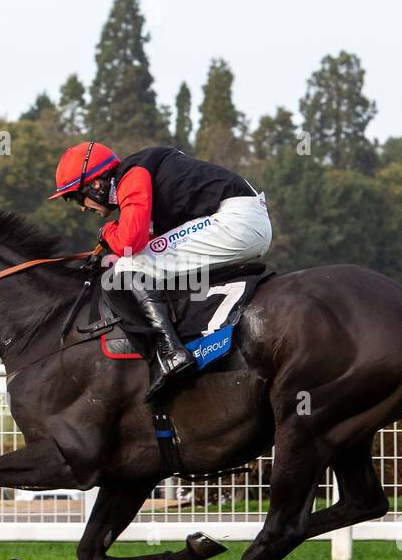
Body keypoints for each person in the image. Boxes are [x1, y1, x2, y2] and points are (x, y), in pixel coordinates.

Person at [50, 141, 272, 400]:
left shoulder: (132, 176)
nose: (82, 207)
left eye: (76, 196)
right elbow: (148, 237)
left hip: (237, 221)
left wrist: (107, 231)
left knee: (127, 266)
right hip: (241, 219)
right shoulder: (138, 174)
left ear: (96, 184)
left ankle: (170, 352)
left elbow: (130, 243)